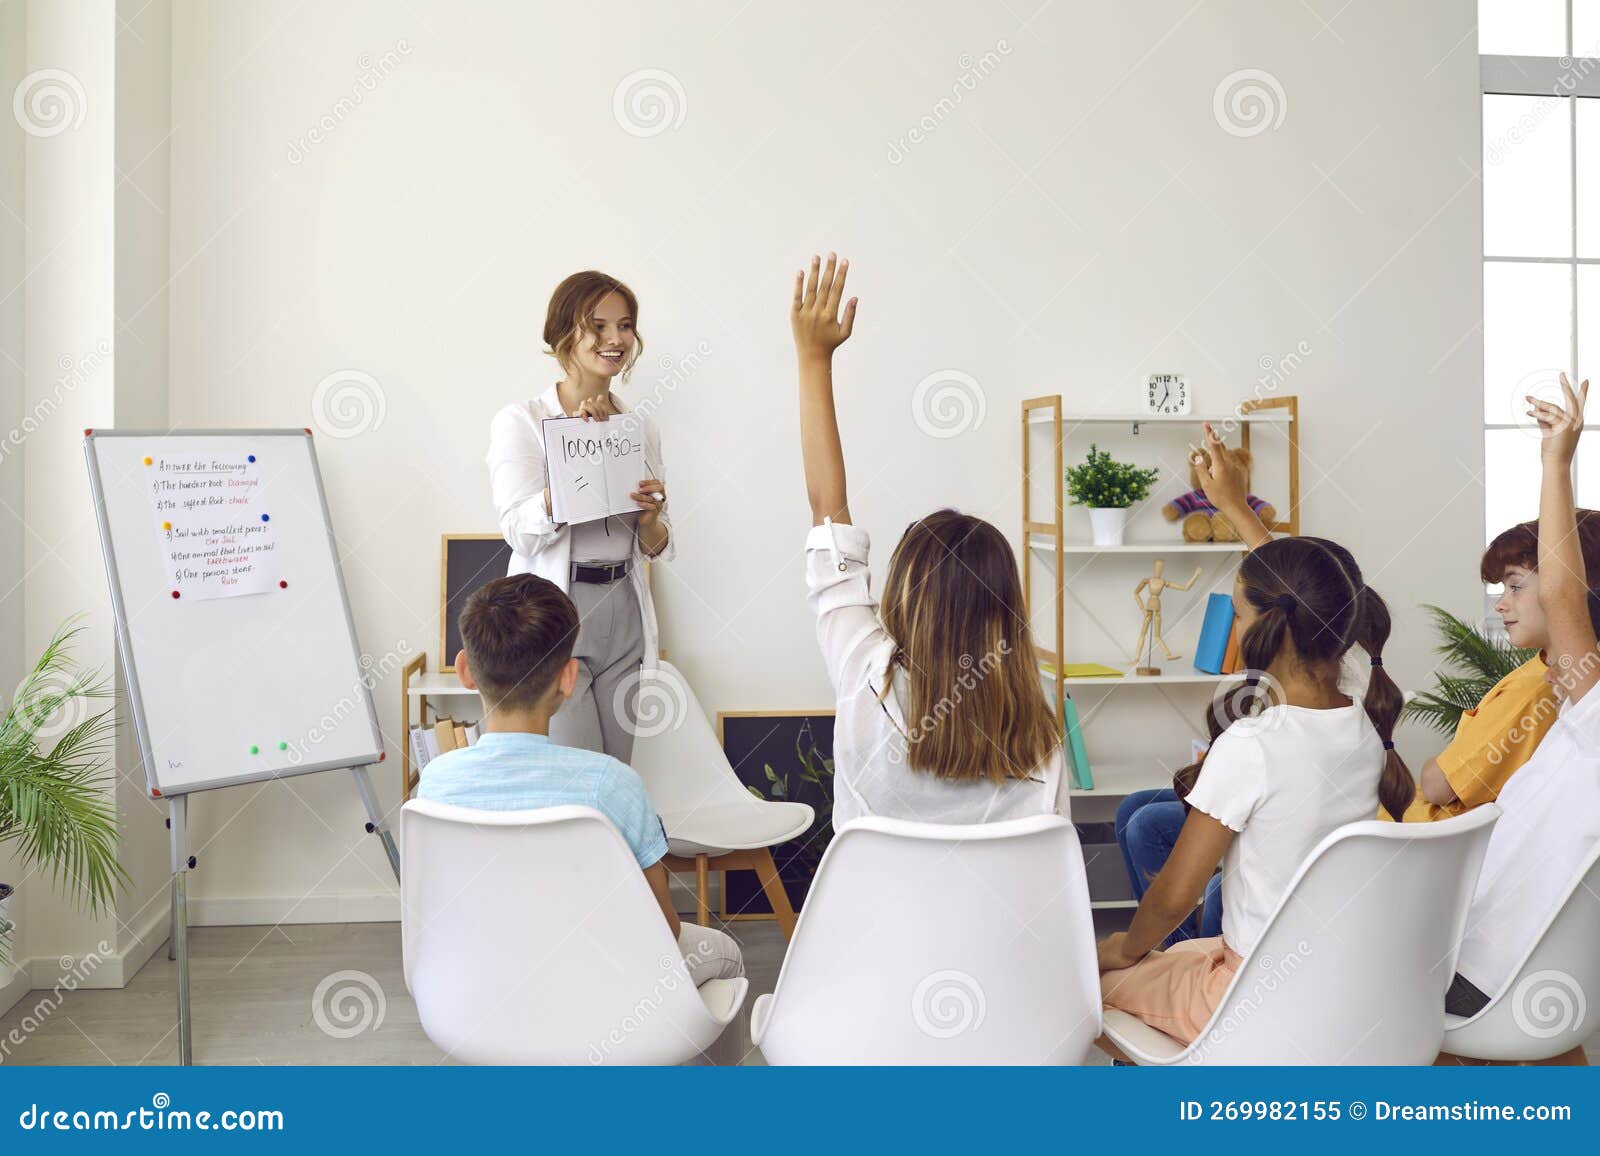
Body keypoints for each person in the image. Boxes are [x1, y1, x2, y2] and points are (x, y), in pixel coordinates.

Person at [1096, 508, 1411, 1050]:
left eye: (1239, 615)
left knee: (1091, 983)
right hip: (1336, 982)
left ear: (1271, 626)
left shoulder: (1252, 745)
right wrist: (1234, 504)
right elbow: (1319, 596)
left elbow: (1173, 898)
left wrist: (1122, 949)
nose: (1235, 627)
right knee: (1181, 953)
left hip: (1251, 996)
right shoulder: (1363, 723)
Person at [792, 253, 1068, 825]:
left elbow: (828, 515)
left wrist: (813, 359)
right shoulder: (1039, 737)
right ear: (1007, 610)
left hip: (872, 918)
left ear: (904, 596)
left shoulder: (863, 676)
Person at [417, 572, 742, 988]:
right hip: (595, 983)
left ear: (464, 669)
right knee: (726, 953)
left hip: (480, 982)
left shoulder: (436, 783)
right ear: (569, 677)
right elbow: (666, 930)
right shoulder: (612, 784)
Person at [1443, 375, 1598, 1066]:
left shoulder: (1592, 713)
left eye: (1518, 585)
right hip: (1532, 988)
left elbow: (1564, 589)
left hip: (1476, 977)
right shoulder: (1578, 713)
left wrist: (1556, 462)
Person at [486, 270, 670, 764]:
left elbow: (653, 544)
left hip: (624, 610)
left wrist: (652, 518)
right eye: (599, 326)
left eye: (626, 326)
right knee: (580, 776)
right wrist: (576, 456)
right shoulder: (520, 421)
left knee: (617, 773)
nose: (616, 340)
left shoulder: (639, 426)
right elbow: (518, 532)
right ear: (563, 332)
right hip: (559, 609)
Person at [1401, 508, 1600, 822]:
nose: (1500, 603)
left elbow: (1439, 785)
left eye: (1516, 587)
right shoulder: (1557, 676)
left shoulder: (1535, 687)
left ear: (1565, 591)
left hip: (1429, 842)